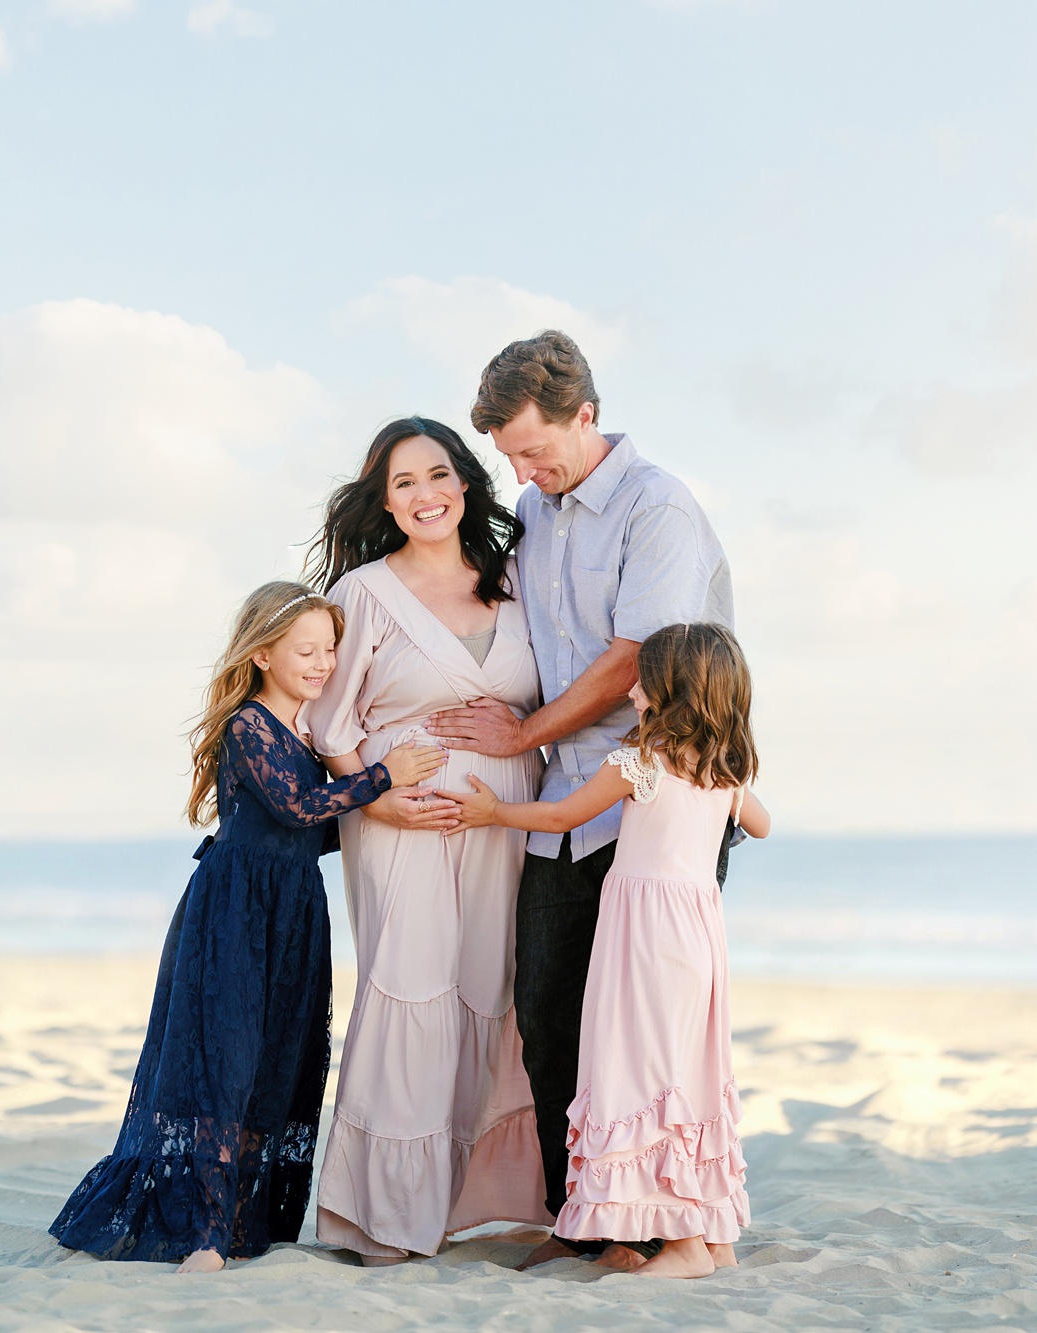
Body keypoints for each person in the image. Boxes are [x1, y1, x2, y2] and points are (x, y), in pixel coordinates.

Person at [428, 331, 733, 1270]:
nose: (523, 469)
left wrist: (522, 734)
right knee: (550, 1011)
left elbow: (634, 656)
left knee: (637, 1035)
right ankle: (587, 1217)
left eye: (534, 448)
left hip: (647, 812)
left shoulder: (658, 510)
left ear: (585, 415)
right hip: (564, 799)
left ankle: (654, 1228)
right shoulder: (535, 506)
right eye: (511, 454)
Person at [47, 581, 445, 1272]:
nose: (322, 663)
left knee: (276, 1064)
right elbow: (295, 807)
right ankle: (203, 1235)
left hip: (293, 912)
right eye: (306, 650)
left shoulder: (306, 736)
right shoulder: (250, 726)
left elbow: (310, 832)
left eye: (329, 650)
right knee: (223, 1064)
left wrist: (387, 814)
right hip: (235, 911)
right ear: (263, 653)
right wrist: (385, 774)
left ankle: (237, 1221)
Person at [301, 417, 552, 1263]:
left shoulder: (517, 581)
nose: (424, 495)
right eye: (402, 483)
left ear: (467, 481)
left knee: (490, 986)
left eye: (437, 474)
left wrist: (519, 728)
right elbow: (331, 725)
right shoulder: (364, 592)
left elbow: (550, 696)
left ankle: (472, 1202)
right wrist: (373, 804)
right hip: (401, 816)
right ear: (383, 500)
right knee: (410, 986)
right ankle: (384, 1220)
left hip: (502, 815)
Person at [452, 623, 769, 1279]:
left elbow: (563, 816)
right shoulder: (725, 769)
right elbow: (762, 824)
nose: (631, 686)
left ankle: (680, 1244)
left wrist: (493, 813)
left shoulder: (640, 761)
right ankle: (712, 1233)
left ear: (668, 691)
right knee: (686, 1074)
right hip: (697, 938)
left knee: (641, 1072)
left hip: (645, 941)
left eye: (642, 677)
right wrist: (731, 782)